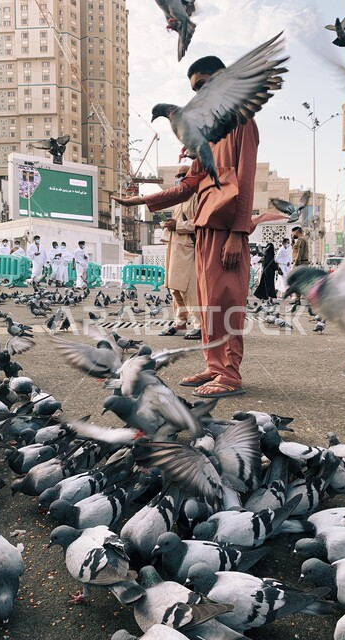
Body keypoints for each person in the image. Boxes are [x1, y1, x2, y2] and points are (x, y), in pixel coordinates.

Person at [112, 55, 259, 398]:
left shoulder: (242, 121)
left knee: (225, 303)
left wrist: (238, 234)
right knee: (207, 304)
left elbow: (247, 181)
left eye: (207, 84)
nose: (201, 93)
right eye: (195, 89)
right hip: (205, 229)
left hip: (226, 231)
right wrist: (142, 201)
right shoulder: (205, 134)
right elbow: (187, 186)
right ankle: (214, 367)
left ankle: (230, 375)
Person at [159, 170, 201, 340]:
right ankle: (180, 322)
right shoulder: (179, 200)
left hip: (188, 249)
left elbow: (202, 222)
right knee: (174, 287)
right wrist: (168, 226)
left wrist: (178, 225)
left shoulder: (197, 197)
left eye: (183, 174)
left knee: (188, 288)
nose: (179, 178)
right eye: (177, 175)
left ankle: (200, 325)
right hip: (174, 248)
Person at [291, 226, 309, 304]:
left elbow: (299, 253)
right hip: (303, 263)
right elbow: (295, 249)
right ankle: (297, 299)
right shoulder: (302, 239)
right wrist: (292, 241)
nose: (292, 234)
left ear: (297, 232)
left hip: (300, 263)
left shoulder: (301, 240)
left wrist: (296, 264)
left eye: (293, 232)